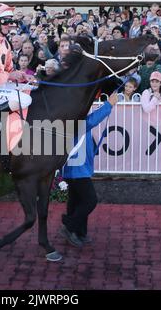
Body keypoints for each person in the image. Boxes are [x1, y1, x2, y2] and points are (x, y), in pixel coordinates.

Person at [59, 93, 118, 247]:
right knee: (90, 201)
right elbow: (91, 121)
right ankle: (70, 226)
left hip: (76, 167)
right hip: (77, 168)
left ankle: (79, 232)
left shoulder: (72, 115)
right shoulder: (73, 119)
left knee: (76, 201)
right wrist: (108, 105)